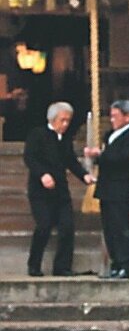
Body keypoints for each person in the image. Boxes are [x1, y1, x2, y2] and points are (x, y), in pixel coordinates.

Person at [23, 101, 93, 277]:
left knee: (67, 227)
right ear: (52, 119)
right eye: (62, 120)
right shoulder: (37, 135)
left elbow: (70, 161)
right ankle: (34, 265)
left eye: (68, 121)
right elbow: (30, 157)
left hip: (61, 191)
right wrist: (42, 174)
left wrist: (84, 175)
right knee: (44, 226)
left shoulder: (65, 140)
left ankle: (62, 267)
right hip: (40, 192)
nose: (65, 124)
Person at [84, 99, 129, 279]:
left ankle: (126, 264)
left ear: (127, 117)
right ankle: (115, 262)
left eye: (116, 116)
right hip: (107, 185)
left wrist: (101, 155)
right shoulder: (110, 135)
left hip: (121, 186)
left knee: (121, 226)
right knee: (109, 227)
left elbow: (125, 159)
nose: (112, 120)